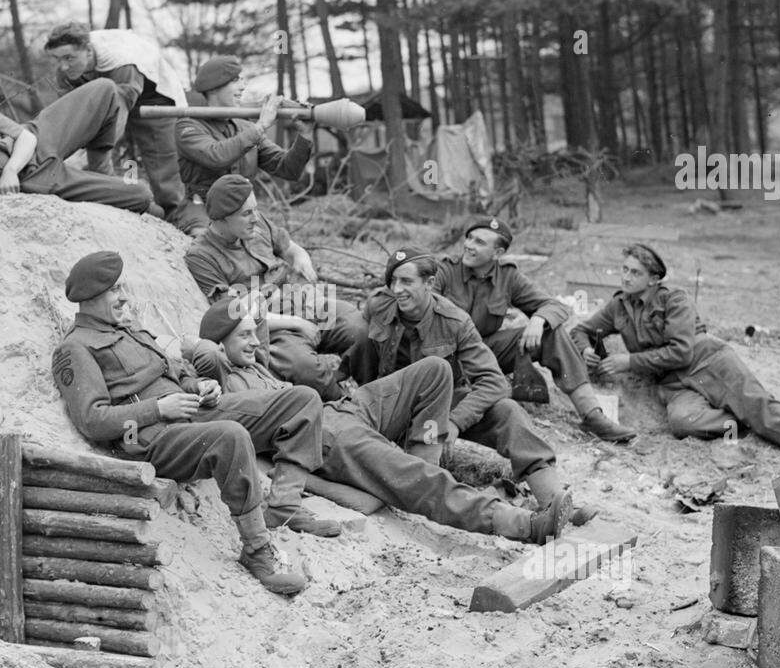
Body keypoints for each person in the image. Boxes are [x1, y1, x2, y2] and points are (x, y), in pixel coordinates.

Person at [51, 252, 351, 597]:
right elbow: (93, 420)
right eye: (113, 291)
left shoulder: (128, 328)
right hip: (151, 439)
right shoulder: (74, 348)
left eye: (121, 287)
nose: (123, 297)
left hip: (191, 412)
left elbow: (174, 369)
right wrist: (158, 408)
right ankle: (256, 551)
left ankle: (284, 505)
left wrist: (198, 386)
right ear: (89, 299)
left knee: (302, 399)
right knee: (231, 436)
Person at [186, 297, 571, 544]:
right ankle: (519, 524)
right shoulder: (223, 381)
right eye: (244, 337)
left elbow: (258, 322)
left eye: (256, 334)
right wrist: (209, 351)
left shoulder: (255, 361)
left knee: (434, 371)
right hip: (322, 437)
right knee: (412, 476)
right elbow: (197, 353)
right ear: (220, 346)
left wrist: (255, 324)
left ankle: (420, 469)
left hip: (342, 410)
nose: (255, 342)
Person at [569, 243, 780, 477]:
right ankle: (742, 420)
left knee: (758, 404)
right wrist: (586, 351)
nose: (626, 277)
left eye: (635, 272)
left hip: (708, 362)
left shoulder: (674, 300)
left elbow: (682, 351)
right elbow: (580, 330)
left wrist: (629, 362)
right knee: (683, 423)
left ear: (653, 279)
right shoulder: (619, 305)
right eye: (624, 270)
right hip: (673, 383)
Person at [348, 251, 572, 512]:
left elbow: (494, 381)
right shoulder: (378, 305)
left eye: (407, 282)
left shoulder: (454, 320)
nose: (398, 289)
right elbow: (355, 346)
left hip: (439, 408)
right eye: (393, 281)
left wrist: (455, 421)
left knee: (508, 411)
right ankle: (420, 475)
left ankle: (553, 501)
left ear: (430, 283)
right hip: (389, 406)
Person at [436, 216, 635, 443]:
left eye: (479, 242)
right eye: (469, 238)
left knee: (552, 332)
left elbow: (556, 306)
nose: (469, 245)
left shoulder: (508, 277)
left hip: (482, 352)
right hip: (442, 355)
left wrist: (538, 320)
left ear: (498, 254)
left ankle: (592, 415)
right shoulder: (445, 270)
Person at [0, 47, 157, 215]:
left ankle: (97, 171)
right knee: (140, 193)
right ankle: (110, 188)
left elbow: (25, 135)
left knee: (104, 88)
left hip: (34, 143)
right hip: (35, 178)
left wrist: (9, 170)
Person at [183, 173, 366, 400]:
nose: (255, 217)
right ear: (222, 219)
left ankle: (375, 396)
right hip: (268, 328)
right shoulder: (201, 255)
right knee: (308, 369)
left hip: (297, 300)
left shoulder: (255, 225)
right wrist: (298, 323)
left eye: (255, 209)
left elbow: (291, 249)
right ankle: (345, 407)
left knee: (359, 328)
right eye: (246, 213)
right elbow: (233, 315)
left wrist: (302, 260)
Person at [45, 23, 202, 234]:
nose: (63, 66)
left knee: (163, 170)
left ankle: (184, 222)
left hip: (154, 97)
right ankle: (123, 199)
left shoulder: (121, 61)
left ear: (89, 51)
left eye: (69, 58)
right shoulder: (66, 69)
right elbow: (70, 114)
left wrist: (97, 157)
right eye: (57, 59)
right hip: (112, 92)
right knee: (93, 162)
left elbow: (117, 111)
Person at [175, 55, 314, 232]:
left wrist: (305, 135)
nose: (243, 86)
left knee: (285, 248)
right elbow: (216, 155)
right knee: (205, 243)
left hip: (242, 210)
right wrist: (262, 125)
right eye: (235, 81)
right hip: (202, 209)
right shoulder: (188, 126)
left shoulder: (245, 126)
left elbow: (288, 168)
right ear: (213, 89)